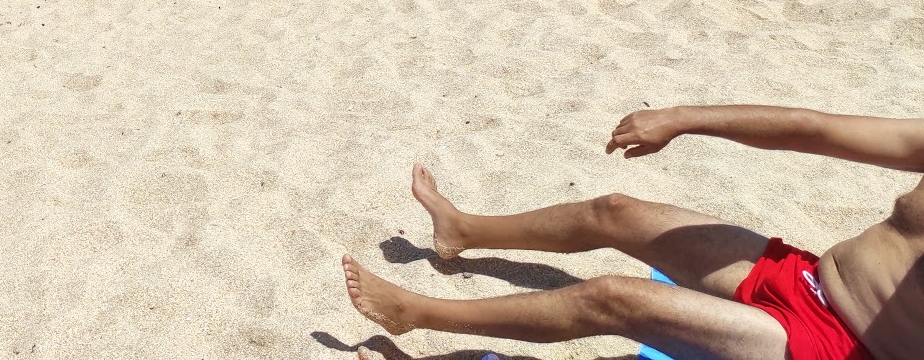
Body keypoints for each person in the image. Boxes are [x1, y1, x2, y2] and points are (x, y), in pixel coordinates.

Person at [340, 102, 923, 360]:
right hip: (805, 279)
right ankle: (463, 230)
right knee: (614, 211)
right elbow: (814, 131)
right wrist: (683, 119)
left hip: (837, 350)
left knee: (615, 298)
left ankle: (418, 313)